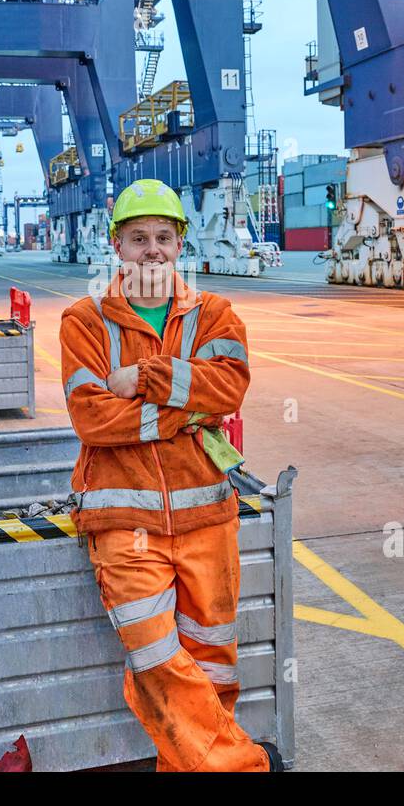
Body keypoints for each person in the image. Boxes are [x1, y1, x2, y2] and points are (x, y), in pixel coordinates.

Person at [59, 178, 283, 773]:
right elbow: (92, 418)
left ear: (180, 243)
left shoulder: (215, 314)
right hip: (125, 523)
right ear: (117, 245)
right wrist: (183, 408)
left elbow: (229, 389)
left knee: (212, 665)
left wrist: (145, 378)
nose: (151, 250)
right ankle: (243, 767)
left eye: (163, 237)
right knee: (156, 658)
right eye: (138, 239)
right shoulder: (83, 322)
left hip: (207, 515)